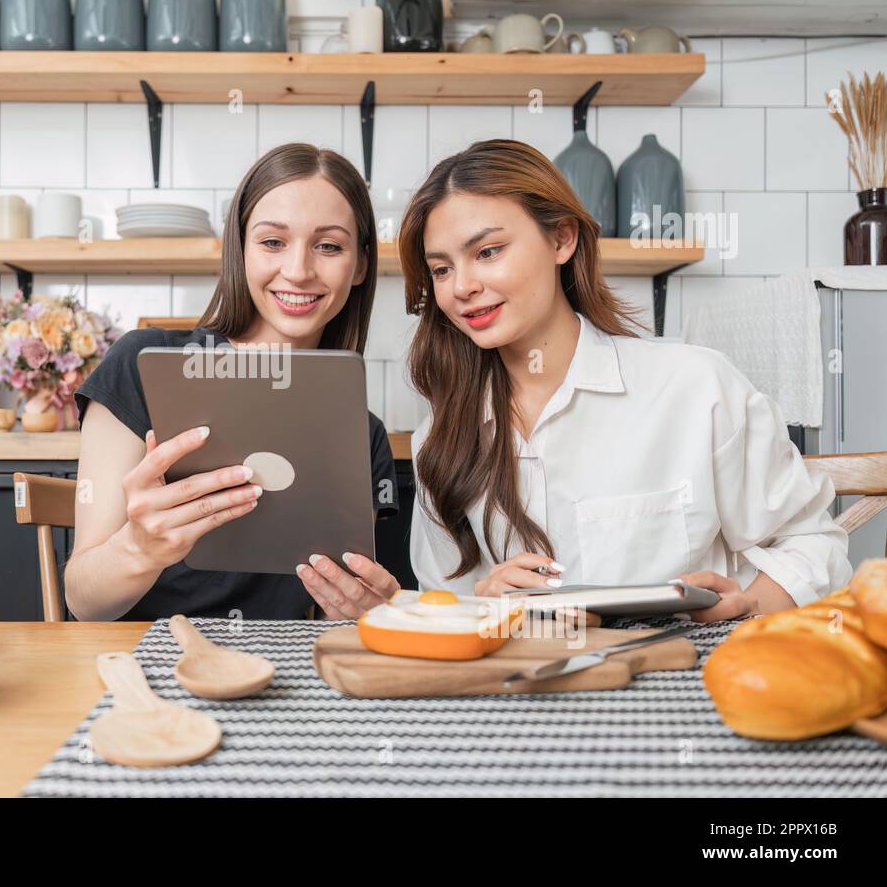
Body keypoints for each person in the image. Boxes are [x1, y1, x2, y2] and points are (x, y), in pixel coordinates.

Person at [386, 138, 849, 622]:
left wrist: (751, 603)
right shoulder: (441, 435)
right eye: (441, 269)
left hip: (682, 681)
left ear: (562, 239)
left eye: (488, 251)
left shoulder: (695, 388)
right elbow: (441, 604)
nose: (461, 286)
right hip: (521, 690)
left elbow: (814, 544)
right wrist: (482, 602)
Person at [66, 143, 400, 621]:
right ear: (240, 250)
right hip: (145, 670)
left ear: (361, 265)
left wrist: (360, 611)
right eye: (272, 242)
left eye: (329, 245)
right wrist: (138, 549)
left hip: (279, 679)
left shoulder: (361, 431)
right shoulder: (143, 364)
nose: (299, 270)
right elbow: (84, 602)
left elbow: (329, 622)